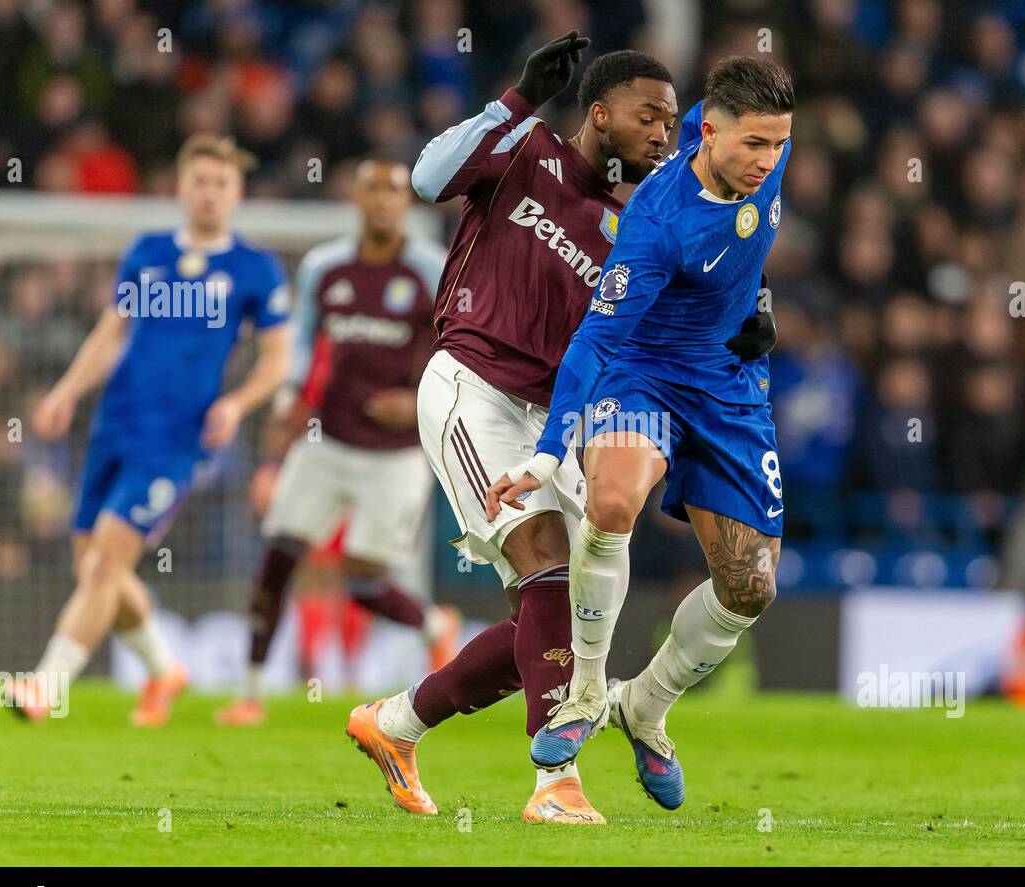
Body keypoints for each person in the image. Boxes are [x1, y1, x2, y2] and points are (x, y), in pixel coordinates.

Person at [344, 33, 677, 824]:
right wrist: (516, 95)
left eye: (671, 123)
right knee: (552, 575)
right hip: (471, 387)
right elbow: (427, 179)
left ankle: (395, 724)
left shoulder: (630, 226)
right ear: (599, 112)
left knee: (550, 614)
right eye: (650, 116)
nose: (663, 133)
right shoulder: (525, 147)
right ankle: (554, 788)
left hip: (545, 427)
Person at [488, 56, 794, 811]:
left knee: (750, 587)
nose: (768, 161)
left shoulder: (747, 143)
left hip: (728, 386)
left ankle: (644, 707)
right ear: (712, 133)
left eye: (779, 145)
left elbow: (743, 245)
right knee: (614, 501)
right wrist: (549, 452)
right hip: (645, 375)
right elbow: (594, 342)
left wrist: (756, 296)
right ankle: (587, 692)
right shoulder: (657, 223)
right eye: (754, 145)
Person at [10, 134, 291, 725]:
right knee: (90, 563)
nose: (209, 193)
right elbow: (112, 333)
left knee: (106, 565)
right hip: (114, 424)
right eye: (200, 181)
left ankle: (46, 684)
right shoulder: (148, 252)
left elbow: (277, 362)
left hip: (176, 439)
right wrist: (65, 390)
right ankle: (165, 668)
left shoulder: (253, 269)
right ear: (181, 187)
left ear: (236, 193)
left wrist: (238, 404)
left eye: (221, 183)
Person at [214, 159, 459, 727]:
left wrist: (416, 396)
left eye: (394, 190)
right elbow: (302, 342)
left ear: (408, 202)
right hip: (325, 441)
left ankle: (433, 626)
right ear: (356, 198)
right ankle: (249, 693)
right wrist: (288, 401)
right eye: (372, 188)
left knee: (363, 578)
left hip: (396, 453)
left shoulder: (430, 269)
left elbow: (458, 348)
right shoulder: (325, 267)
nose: (382, 199)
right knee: (279, 555)